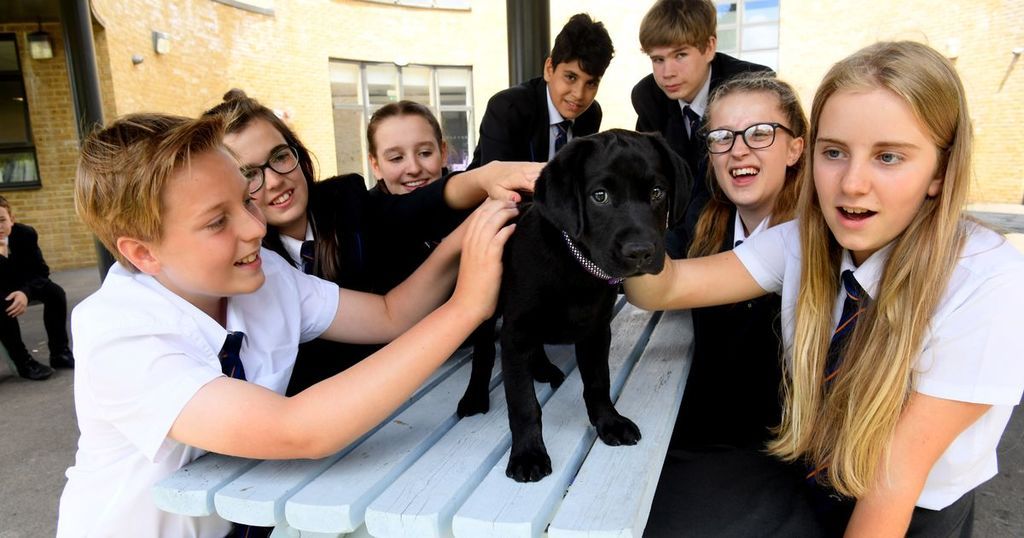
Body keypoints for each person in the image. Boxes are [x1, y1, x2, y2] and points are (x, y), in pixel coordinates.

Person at [57, 112, 519, 537]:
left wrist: (469, 236)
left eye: (244, 200)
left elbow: (389, 314)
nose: (256, 228)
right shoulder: (119, 332)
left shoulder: (264, 277)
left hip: (254, 517)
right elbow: (300, 430)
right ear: (143, 253)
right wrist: (465, 307)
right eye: (218, 221)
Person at [630, 41, 1024, 537]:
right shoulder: (802, 240)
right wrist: (618, 212)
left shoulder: (986, 280)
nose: (852, 183)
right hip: (811, 480)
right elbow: (661, 290)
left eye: (888, 157)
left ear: (940, 171)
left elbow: (893, 482)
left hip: (911, 514)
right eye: (835, 152)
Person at [204, 90, 541, 395]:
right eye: (249, 174)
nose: (276, 181)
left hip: (417, 393)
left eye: (280, 156)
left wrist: (485, 176)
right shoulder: (248, 265)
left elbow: (420, 206)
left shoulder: (346, 199)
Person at [631, 0, 771, 257]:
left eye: (680, 55)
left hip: (749, 229)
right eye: (657, 59)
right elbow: (648, 176)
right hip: (682, 229)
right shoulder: (648, 97)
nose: (667, 73)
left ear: (709, 47)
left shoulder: (751, 88)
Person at [467, 12, 614, 168]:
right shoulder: (507, 109)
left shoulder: (590, 114)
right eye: (571, 77)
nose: (579, 94)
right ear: (549, 69)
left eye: (591, 84)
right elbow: (495, 185)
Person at [0, 195, 74, 380]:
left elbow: (41, 271)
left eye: (2, 220)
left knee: (55, 293)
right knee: (3, 304)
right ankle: (23, 362)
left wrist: (25, 293)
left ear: (12, 218)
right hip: (1, 289)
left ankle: (60, 353)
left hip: (25, 284)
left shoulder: (26, 234)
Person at [367, 100, 448, 195]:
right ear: (376, 166)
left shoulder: (467, 204)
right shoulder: (360, 209)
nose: (414, 169)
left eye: (425, 153)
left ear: (443, 153)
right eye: (396, 158)